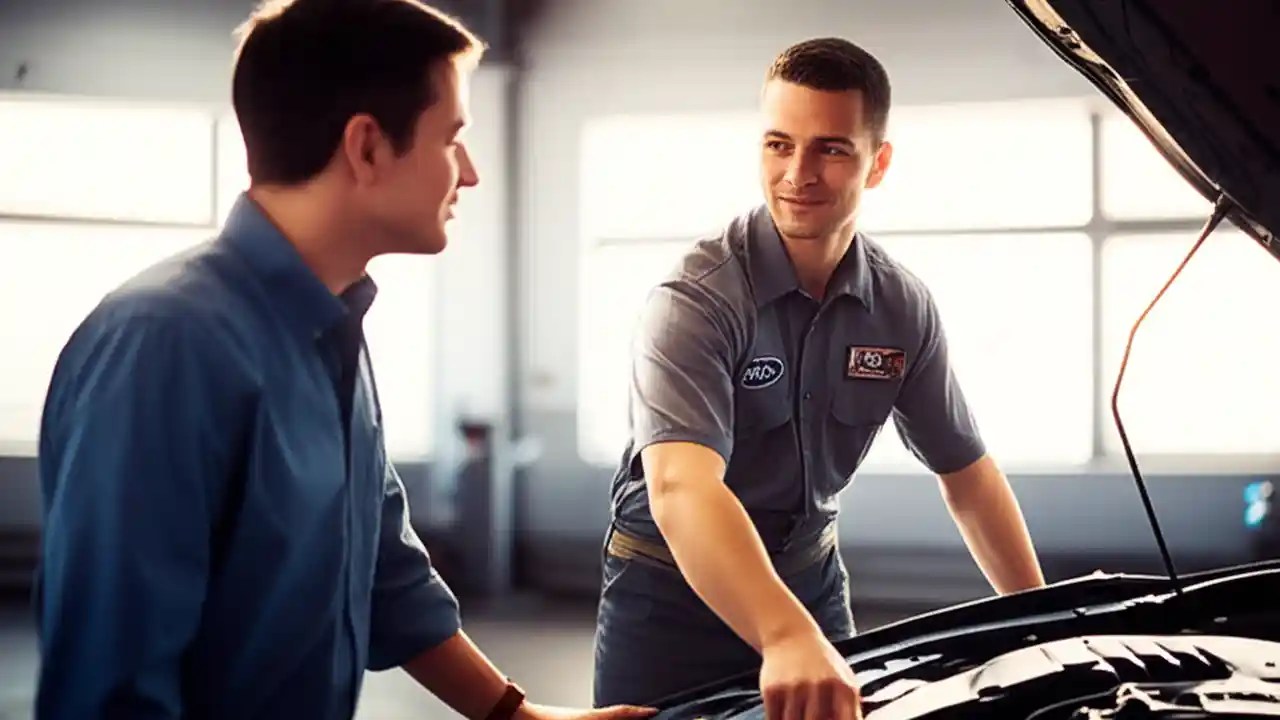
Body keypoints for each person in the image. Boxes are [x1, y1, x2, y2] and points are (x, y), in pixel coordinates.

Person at [32, 2, 655, 719]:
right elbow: (108, 686)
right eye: (453, 138)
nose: (471, 173)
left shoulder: (331, 327)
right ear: (366, 147)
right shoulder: (163, 344)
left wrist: (515, 716)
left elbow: (383, 571)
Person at [592, 37, 1047, 717]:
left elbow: (969, 478)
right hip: (670, 601)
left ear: (878, 163)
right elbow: (682, 487)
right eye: (778, 145)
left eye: (830, 149)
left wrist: (1046, 622)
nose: (797, 174)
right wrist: (784, 635)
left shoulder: (901, 307)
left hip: (810, 584)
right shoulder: (695, 301)